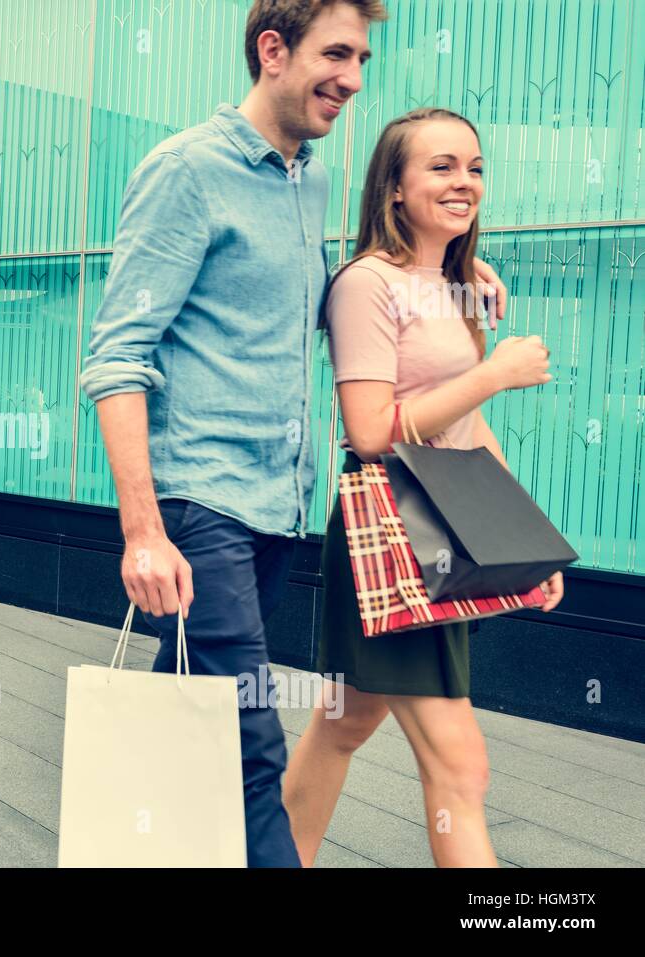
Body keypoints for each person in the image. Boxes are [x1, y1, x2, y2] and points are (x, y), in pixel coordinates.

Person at [79, 0, 514, 867]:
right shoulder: (186, 170)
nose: (354, 78)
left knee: (257, 737)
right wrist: (143, 527)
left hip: (278, 506)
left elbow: (341, 303)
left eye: (361, 58)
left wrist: (448, 274)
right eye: (337, 54)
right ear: (272, 50)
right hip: (201, 504)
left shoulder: (303, 176)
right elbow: (117, 355)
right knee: (249, 744)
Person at [281, 108, 564, 867]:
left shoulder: (452, 286)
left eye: (473, 167)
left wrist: (525, 540)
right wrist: (493, 375)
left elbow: (464, 430)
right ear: (394, 188)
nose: (463, 181)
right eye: (440, 167)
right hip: (395, 536)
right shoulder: (367, 285)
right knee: (461, 763)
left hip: (439, 537)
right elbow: (372, 430)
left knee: (343, 723)